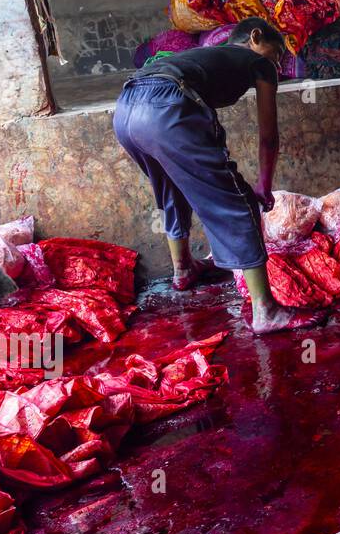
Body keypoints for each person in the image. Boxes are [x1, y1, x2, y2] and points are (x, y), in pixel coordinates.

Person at [113, 17, 302, 335]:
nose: (279, 64)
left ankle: (183, 269)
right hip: (166, 107)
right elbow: (268, 136)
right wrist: (263, 186)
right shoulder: (258, 62)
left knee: (171, 186)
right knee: (238, 201)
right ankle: (265, 311)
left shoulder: (203, 56)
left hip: (126, 108)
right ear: (255, 37)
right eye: (277, 53)